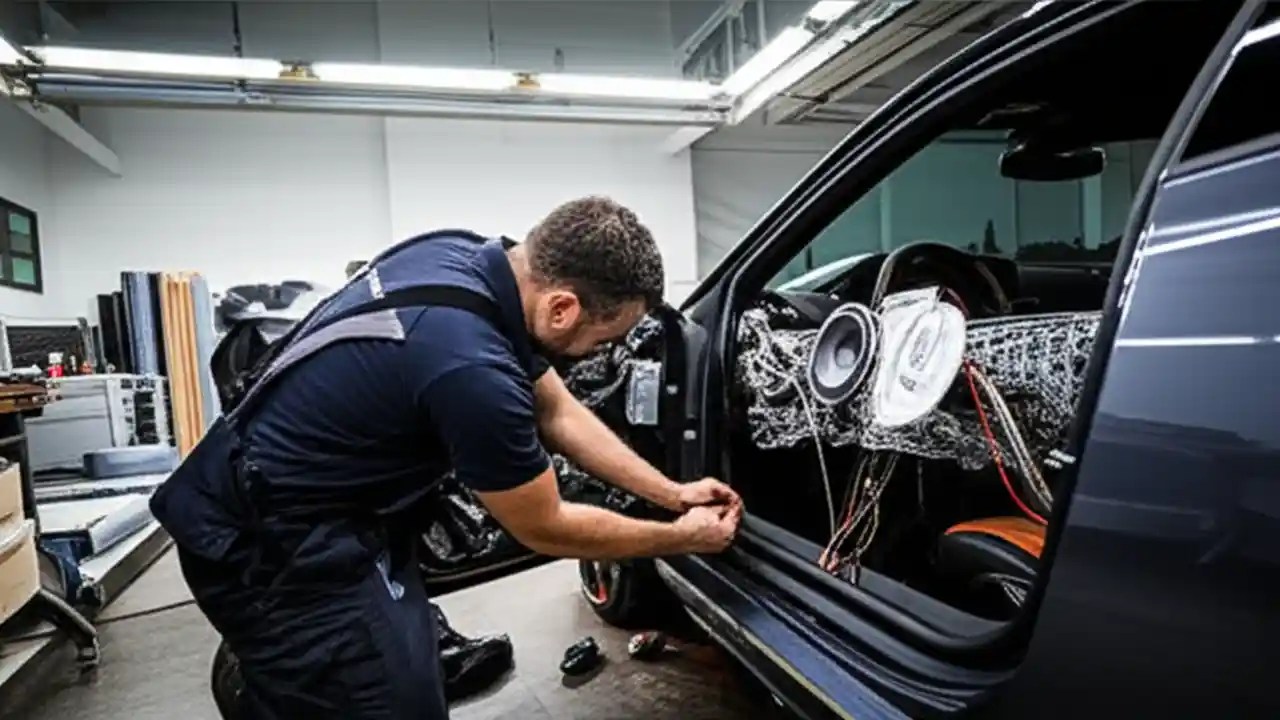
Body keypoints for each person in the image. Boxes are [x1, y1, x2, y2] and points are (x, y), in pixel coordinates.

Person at [150, 196, 743, 719]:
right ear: (562, 308)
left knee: (410, 679)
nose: (604, 353)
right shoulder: (471, 370)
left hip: (314, 509)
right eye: (605, 339)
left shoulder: (466, 255)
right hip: (270, 549)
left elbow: (555, 411)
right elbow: (546, 525)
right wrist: (680, 537)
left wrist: (672, 493)